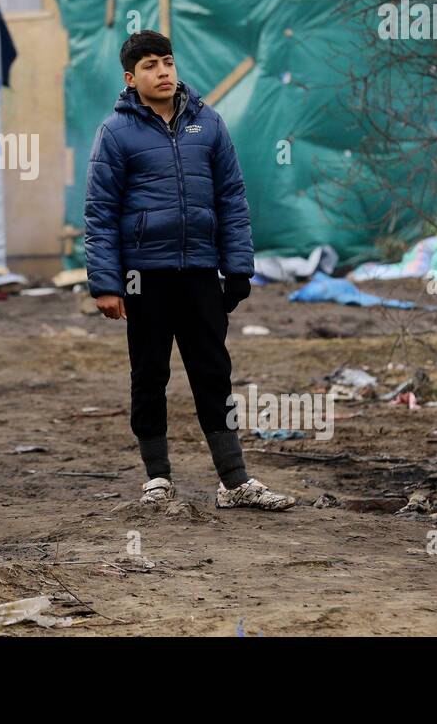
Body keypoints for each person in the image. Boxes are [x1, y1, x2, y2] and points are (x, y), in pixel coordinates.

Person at [84, 31, 295, 511]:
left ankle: (234, 482)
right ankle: (157, 479)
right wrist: (107, 284)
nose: (162, 72)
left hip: (201, 272)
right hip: (145, 276)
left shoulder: (210, 124)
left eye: (167, 62)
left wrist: (238, 268)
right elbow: (100, 211)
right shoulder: (116, 133)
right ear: (130, 77)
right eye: (150, 65)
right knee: (150, 374)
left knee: (213, 373)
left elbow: (232, 199)